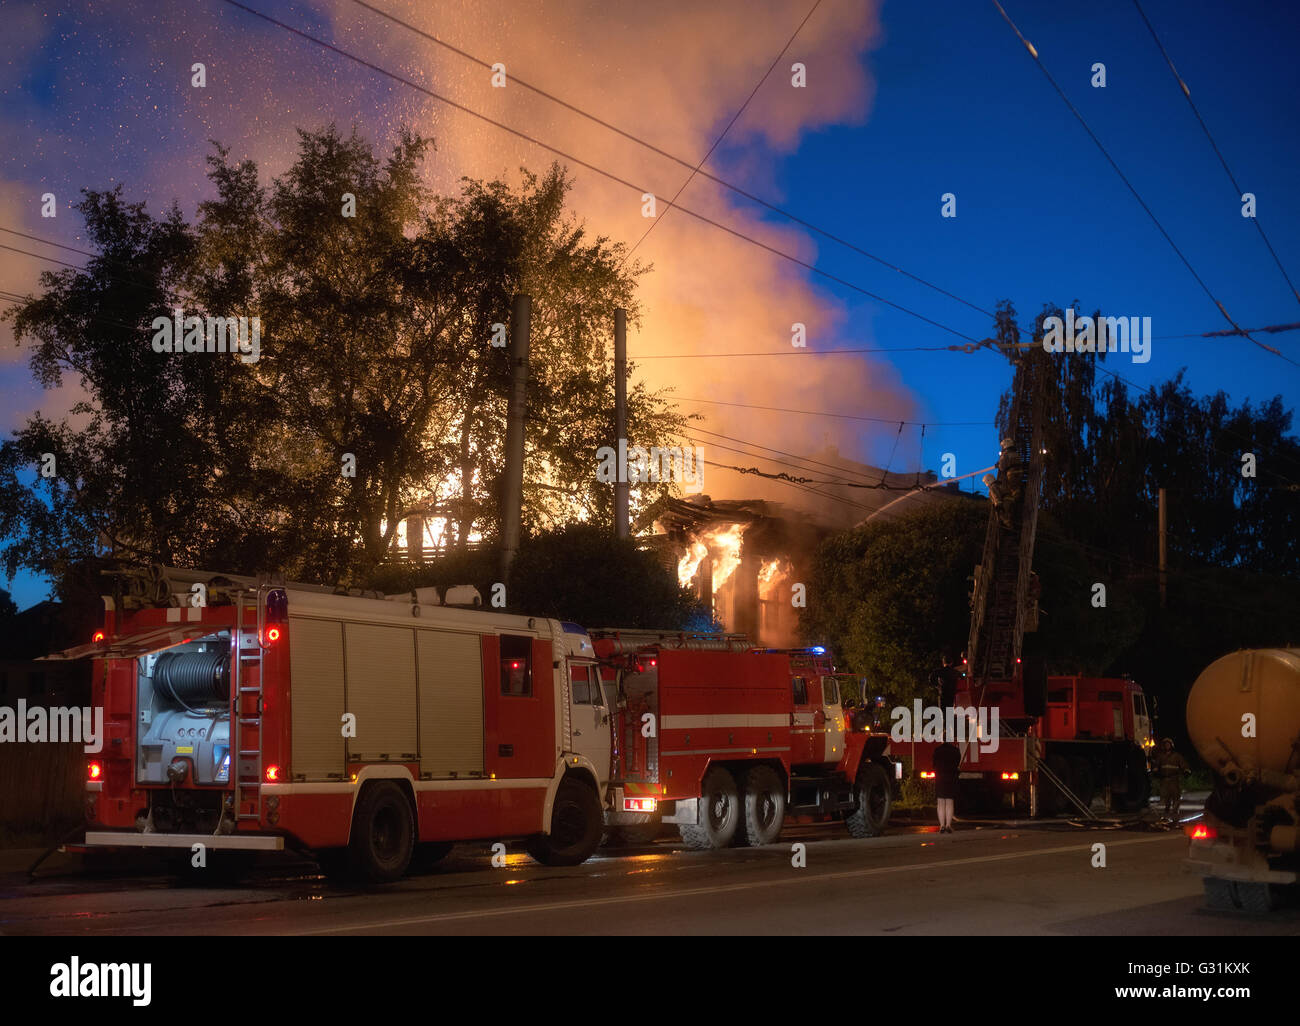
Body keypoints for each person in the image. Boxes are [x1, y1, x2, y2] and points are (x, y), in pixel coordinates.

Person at [1153, 738, 1190, 820]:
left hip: (1174, 779)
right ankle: (1167, 809)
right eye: (1165, 745)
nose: (1167, 746)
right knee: (1166, 796)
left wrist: (1186, 771)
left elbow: (1184, 765)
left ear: (1171, 745)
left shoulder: (1177, 756)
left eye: (1168, 744)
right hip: (1164, 780)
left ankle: (1175, 812)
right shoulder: (1161, 756)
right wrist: (1155, 772)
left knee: (1176, 796)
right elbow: (1156, 766)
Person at [933, 740, 961, 833]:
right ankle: (948, 825)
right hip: (951, 777)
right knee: (949, 801)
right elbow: (958, 763)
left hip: (940, 777)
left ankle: (942, 826)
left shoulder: (937, 750)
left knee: (940, 802)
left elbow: (934, 764)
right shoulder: (955, 751)